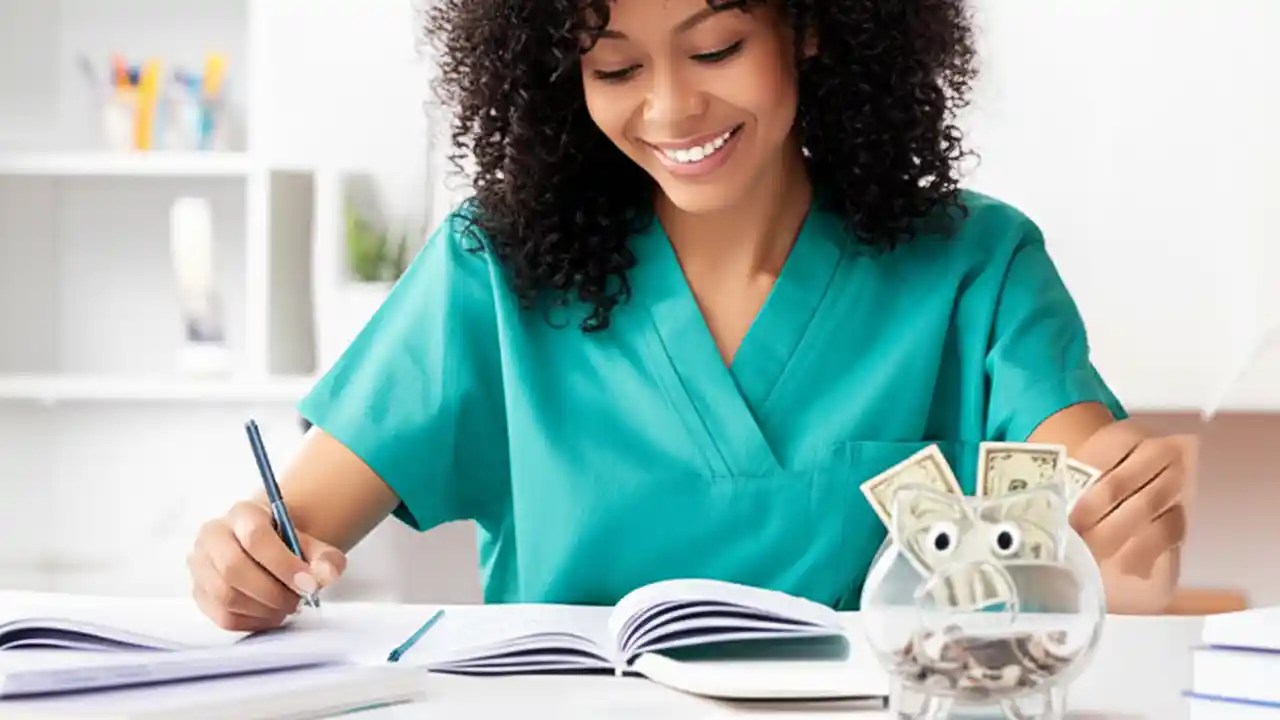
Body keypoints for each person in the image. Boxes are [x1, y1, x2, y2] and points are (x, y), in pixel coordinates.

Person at [187, 0, 1196, 631]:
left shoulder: (976, 264)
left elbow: (1094, 510)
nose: (670, 111)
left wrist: (1124, 533)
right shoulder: (490, 269)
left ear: (806, 24)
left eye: (714, 46)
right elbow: (293, 533)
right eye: (615, 68)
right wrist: (245, 567)